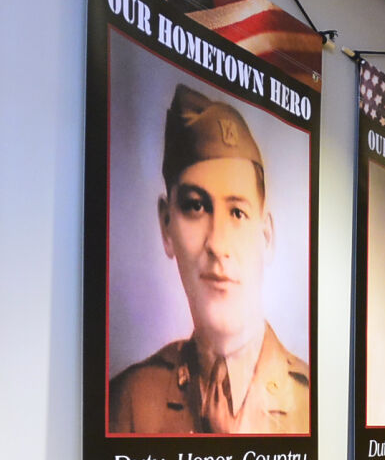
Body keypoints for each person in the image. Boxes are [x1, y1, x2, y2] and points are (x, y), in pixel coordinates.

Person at [109, 84, 309, 434]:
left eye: (237, 212)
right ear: (166, 224)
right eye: (195, 206)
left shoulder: (313, 401)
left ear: (267, 237)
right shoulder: (131, 401)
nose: (218, 243)